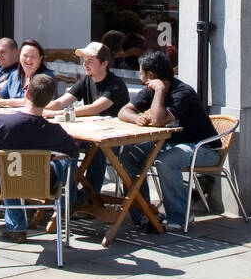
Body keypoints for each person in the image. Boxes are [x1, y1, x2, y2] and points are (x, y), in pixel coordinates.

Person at [0, 73, 80, 242]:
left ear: (27, 94)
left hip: (7, 182)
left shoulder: (1, 122)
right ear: (50, 100)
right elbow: (74, 152)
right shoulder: (54, 131)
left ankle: (17, 228)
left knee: (9, 171)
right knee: (66, 161)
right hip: (43, 184)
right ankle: (69, 200)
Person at [119, 51, 220, 232]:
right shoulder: (148, 90)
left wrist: (159, 90)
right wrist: (136, 119)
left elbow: (158, 120)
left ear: (151, 76)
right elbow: (124, 111)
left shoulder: (183, 92)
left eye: (142, 74)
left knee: (165, 161)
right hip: (170, 144)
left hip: (203, 148)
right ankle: (143, 213)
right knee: (129, 155)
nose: (141, 79)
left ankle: (180, 217)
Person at [43, 41, 130, 197]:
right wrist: (38, 109)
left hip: (115, 139)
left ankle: (91, 197)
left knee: (97, 149)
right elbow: (60, 102)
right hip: (90, 134)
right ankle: (66, 194)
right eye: (84, 60)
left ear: (104, 63)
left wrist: (60, 115)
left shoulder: (116, 85)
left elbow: (95, 108)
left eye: (90, 61)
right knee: (64, 144)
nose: (85, 64)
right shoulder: (86, 80)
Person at [0, 40, 53, 107]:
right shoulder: (14, 75)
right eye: (25, 56)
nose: (28, 59)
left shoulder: (46, 78)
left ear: (40, 59)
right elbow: (1, 95)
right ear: (19, 56)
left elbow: (36, 102)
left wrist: (5, 102)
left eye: (33, 57)